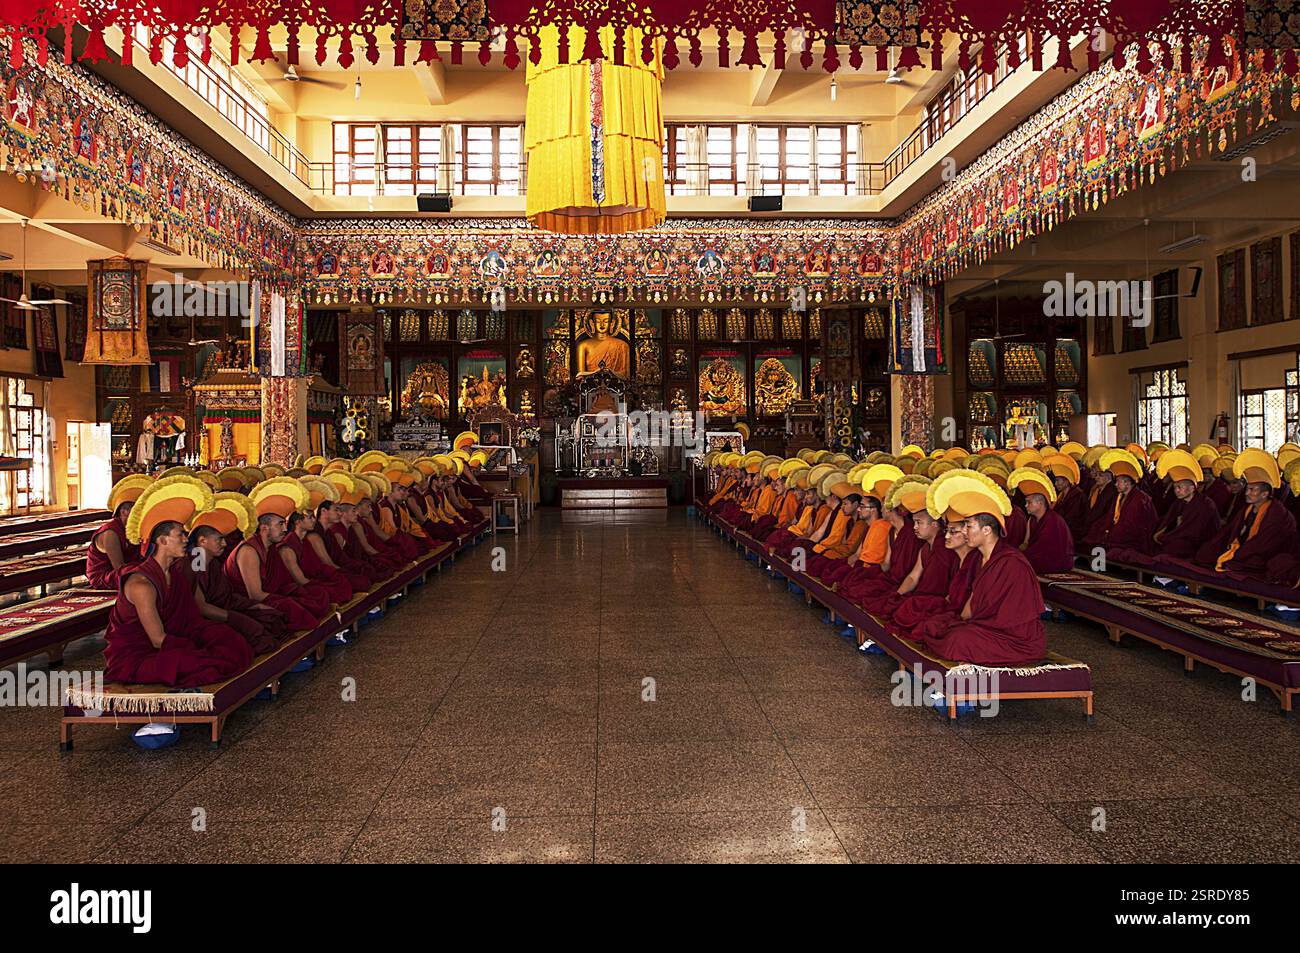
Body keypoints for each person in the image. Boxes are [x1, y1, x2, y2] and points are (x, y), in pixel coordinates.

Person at [104, 484, 252, 687]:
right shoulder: (142, 584)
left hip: (173, 640)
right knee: (199, 662)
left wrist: (206, 635)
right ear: (162, 540)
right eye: (180, 535)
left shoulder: (176, 574)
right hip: (139, 656)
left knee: (229, 639)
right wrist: (194, 647)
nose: (185, 540)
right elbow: (157, 640)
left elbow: (190, 620)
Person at [905, 473, 1047, 666]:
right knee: (937, 627)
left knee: (958, 640)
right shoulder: (980, 558)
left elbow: (1013, 619)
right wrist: (961, 621)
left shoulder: (1012, 563)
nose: (964, 531)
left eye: (969, 526)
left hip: (1016, 640)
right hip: (986, 629)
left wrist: (969, 627)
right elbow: (974, 599)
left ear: (987, 530)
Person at [187, 521, 287, 655]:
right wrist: (236, 618)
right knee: (254, 633)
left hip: (226, 610)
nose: (224, 544)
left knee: (271, 618)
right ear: (202, 541)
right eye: (219, 539)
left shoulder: (213, 563)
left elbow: (227, 596)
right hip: (208, 620)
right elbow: (201, 607)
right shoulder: (194, 563)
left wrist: (254, 606)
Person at [1193, 450, 1297, 576]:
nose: (1247, 493)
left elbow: (1266, 543)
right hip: (1242, 547)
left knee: (1251, 562)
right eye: (1248, 489)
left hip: (1264, 553)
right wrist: (1222, 544)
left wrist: (1239, 552)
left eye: (1252, 490)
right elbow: (1230, 530)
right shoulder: (1247, 509)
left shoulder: (1278, 514)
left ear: (1265, 494)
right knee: (1206, 552)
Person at [1146, 451, 1221, 562]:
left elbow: (1194, 532)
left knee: (1174, 547)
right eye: (1175, 487)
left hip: (1198, 544)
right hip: (1181, 537)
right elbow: (1167, 521)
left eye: (1180, 487)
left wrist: (1169, 536)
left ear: (1192, 488)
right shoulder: (1179, 502)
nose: (1177, 490)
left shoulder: (1205, 505)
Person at [1083, 450, 1156, 558]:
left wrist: (1110, 534)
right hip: (1118, 532)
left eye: (1119, 481)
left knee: (1106, 546)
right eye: (1116, 481)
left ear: (1127, 482)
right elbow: (1110, 517)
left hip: (1133, 538)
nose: (1116, 484)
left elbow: (1131, 524)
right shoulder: (1120, 496)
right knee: (1094, 536)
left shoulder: (1140, 499)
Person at [86, 475, 151, 589]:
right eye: (137, 510)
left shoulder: (138, 528)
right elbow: (119, 568)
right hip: (105, 576)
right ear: (124, 511)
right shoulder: (111, 533)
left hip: (130, 570)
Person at [1011, 467, 1075, 573]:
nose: (1025, 505)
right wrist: (1018, 551)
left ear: (1040, 503)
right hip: (1037, 555)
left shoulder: (1053, 520)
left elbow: (1046, 549)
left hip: (1055, 560)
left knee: (1018, 563)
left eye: (1029, 502)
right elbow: (1026, 543)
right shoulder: (1031, 520)